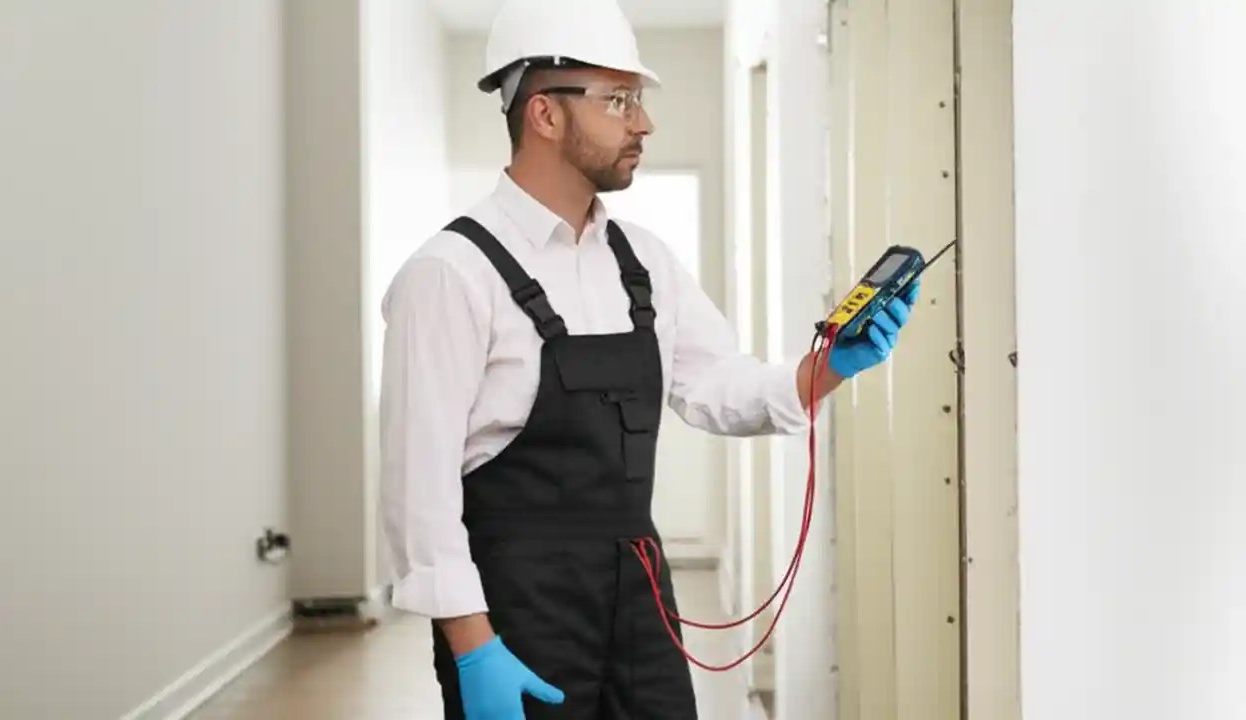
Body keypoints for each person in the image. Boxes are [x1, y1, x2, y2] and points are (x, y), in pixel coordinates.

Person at [378, 0, 920, 717]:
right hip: (517, 608)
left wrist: (832, 363)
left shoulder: (643, 262)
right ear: (543, 113)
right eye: (619, 100)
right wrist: (474, 649)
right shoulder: (450, 274)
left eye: (639, 99)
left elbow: (716, 386)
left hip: (640, 597)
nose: (644, 122)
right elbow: (420, 492)